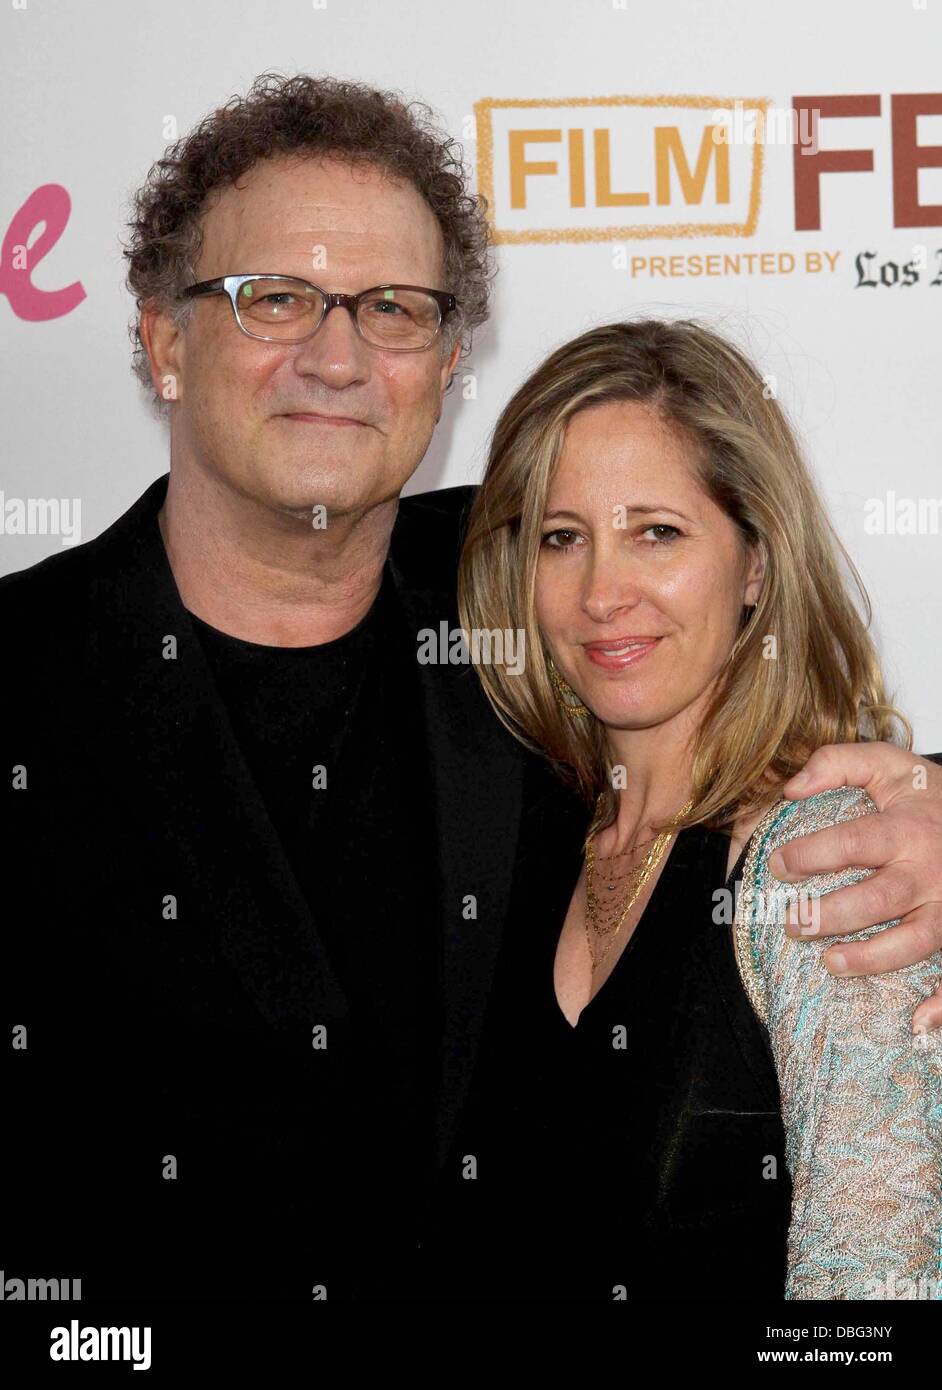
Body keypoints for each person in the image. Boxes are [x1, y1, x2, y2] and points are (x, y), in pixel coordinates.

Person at [2, 75, 941, 1304]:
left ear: (449, 359)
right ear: (165, 340)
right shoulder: (24, 672)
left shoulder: (523, 610)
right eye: (275, 297)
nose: (336, 355)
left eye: (392, 308)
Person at [420, 318, 942, 1301]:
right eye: (560, 538)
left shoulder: (828, 863)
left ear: (754, 563)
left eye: (655, 532)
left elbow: (878, 1296)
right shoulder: (518, 844)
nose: (603, 591)